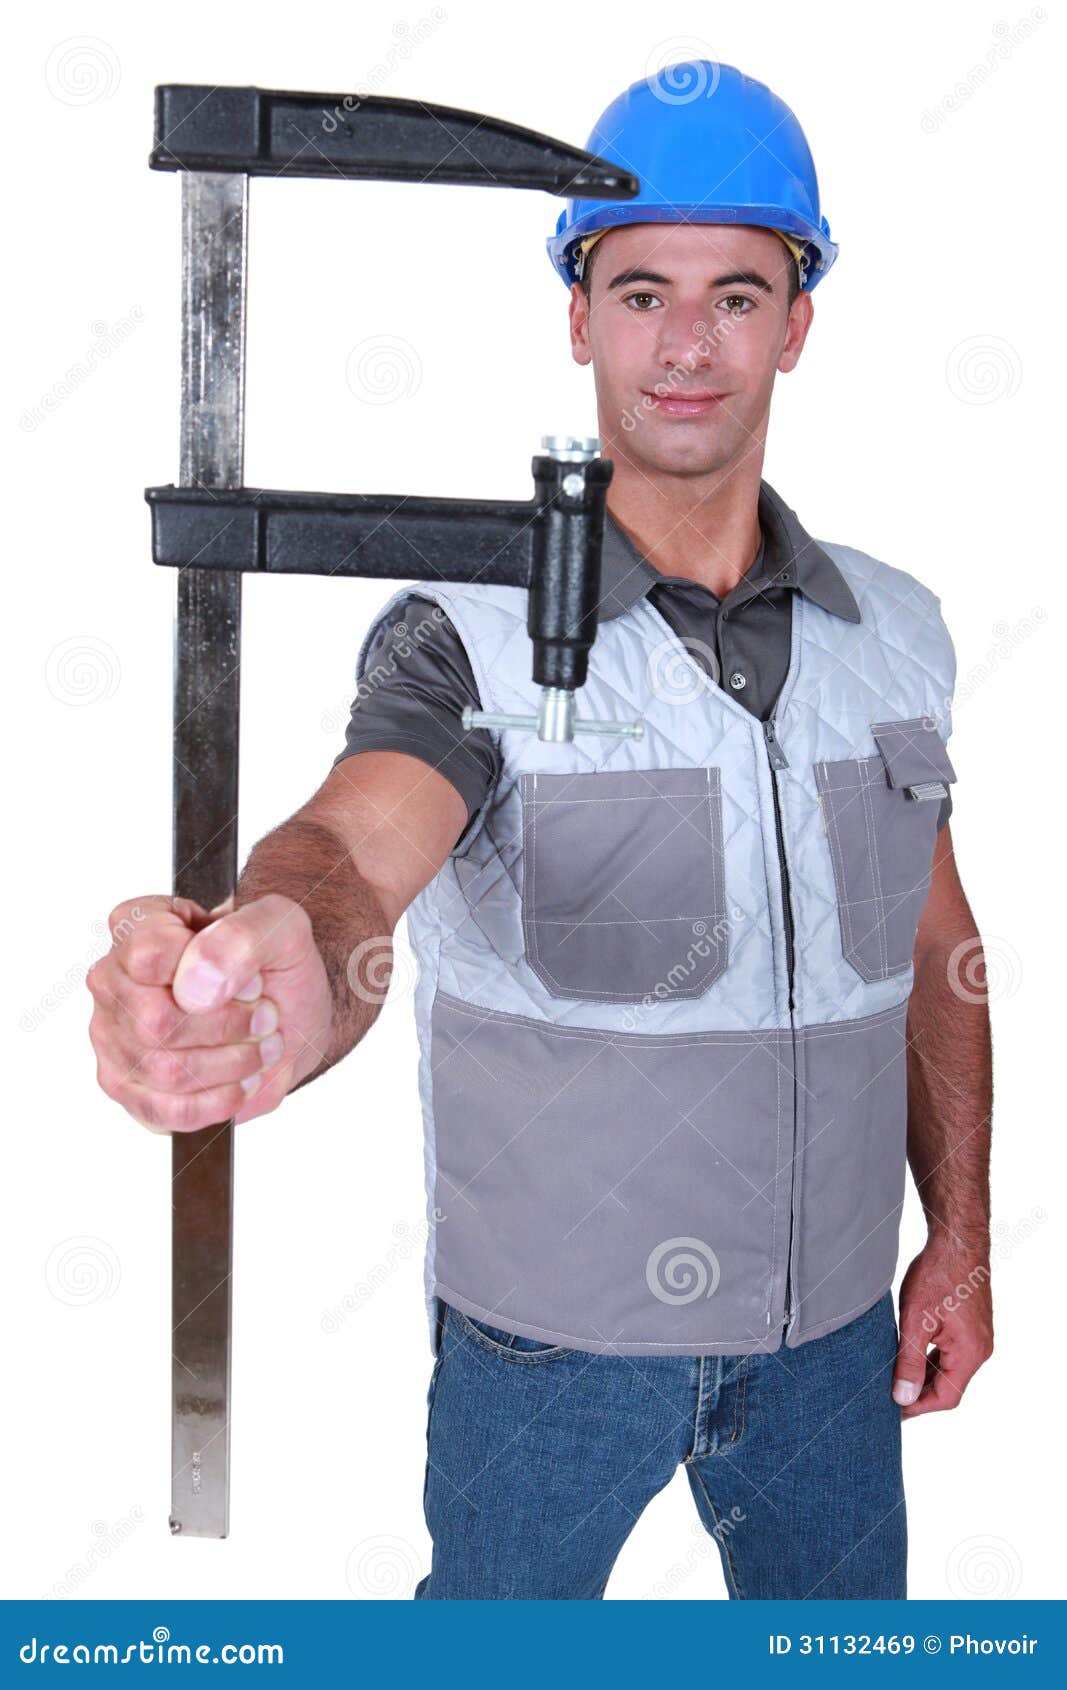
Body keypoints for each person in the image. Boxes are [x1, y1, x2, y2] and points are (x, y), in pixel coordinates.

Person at [87, 62, 993, 1599]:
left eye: (737, 295)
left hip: (834, 1350)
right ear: (579, 317)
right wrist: (286, 961)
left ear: (799, 321)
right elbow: (352, 856)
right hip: (548, 1357)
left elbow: (932, 947)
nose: (688, 344)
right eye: (642, 293)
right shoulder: (470, 636)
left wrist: (959, 1235)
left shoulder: (895, 634)